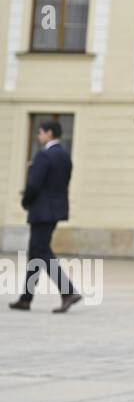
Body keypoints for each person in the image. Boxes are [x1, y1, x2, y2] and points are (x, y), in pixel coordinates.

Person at [10, 120, 81, 313]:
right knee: (36, 253)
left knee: (41, 252)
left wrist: (26, 200)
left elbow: (34, 185)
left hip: (41, 210)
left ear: (49, 134)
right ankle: (26, 299)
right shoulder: (65, 156)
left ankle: (68, 292)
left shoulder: (43, 156)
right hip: (55, 210)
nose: (39, 137)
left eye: (40, 133)